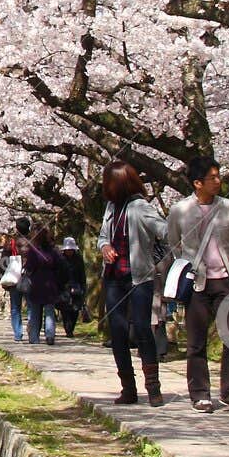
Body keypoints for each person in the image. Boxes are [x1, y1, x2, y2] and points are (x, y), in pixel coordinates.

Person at [165, 156, 229, 413]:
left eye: (218, 176)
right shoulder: (179, 210)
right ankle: (200, 393)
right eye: (212, 178)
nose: (218, 181)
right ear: (197, 183)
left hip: (226, 279)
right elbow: (173, 244)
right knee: (196, 341)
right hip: (197, 283)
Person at [98, 160, 168, 406]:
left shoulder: (141, 207)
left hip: (139, 277)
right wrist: (105, 247)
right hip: (113, 277)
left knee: (141, 329)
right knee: (117, 333)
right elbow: (102, 237)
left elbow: (165, 232)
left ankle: (153, 388)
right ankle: (128, 388)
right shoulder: (110, 208)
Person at [23, 226, 65, 344]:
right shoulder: (53, 251)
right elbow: (59, 265)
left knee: (36, 311)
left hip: (36, 283)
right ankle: (50, 335)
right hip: (50, 283)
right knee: (49, 311)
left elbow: (29, 267)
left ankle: (34, 337)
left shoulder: (33, 251)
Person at [0, 216, 32, 341]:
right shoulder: (34, 242)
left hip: (14, 278)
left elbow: (3, 261)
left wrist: (5, 273)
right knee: (31, 305)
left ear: (17, 228)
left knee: (15, 307)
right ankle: (32, 330)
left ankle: (18, 334)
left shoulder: (11, 243)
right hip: (30, 277)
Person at [56, 236, 87, 337]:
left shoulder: (78, 259)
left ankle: (71, 328)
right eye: (68, 249)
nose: (69, 251)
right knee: (65, 309)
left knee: (75, 309)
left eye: (71, 249)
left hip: (76, 286)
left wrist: (83, 286)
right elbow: (58, 274)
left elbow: (82, 274)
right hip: (64, 287)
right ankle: (68, 329)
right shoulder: (60, 259)